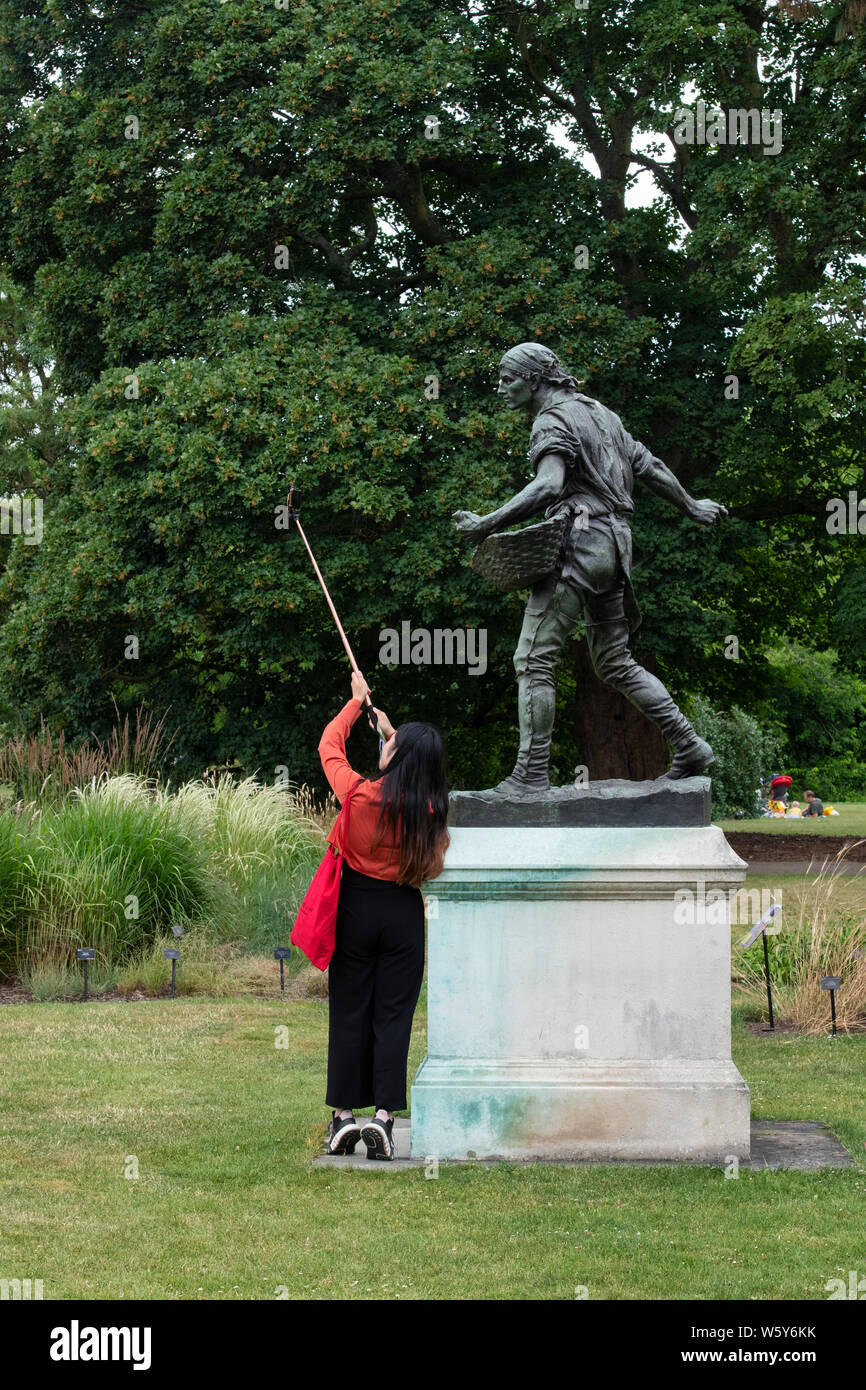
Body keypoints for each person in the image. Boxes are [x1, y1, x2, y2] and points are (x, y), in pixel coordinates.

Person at [452, 343, 728, 792]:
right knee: (615, 661)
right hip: (616, 548)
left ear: (537, 379)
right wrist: (691, 506)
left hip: (578, 545)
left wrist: (487, 523)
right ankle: (688, 742)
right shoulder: (602, 415)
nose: (501, 389)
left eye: (508, 379)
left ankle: (531, 774)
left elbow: (549, 484)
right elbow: (650, 466)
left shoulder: (552, 420)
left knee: (533, 659)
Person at [318, 669, 450, 1161]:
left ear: (395, 758)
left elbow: (329, 746)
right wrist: (392, 734)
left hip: (355, 907)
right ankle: (384, 1121)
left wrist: (355, 704)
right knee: (393, 1017)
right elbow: (413, 765)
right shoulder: (432, 810)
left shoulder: (357, 794)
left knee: (350, 1011)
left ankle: (343, 1118)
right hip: (402, 914)